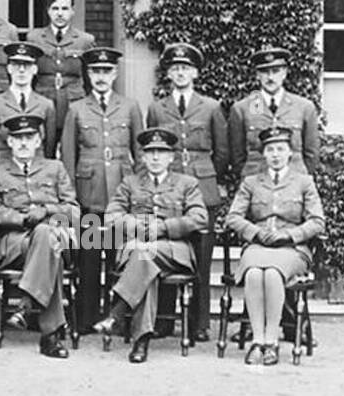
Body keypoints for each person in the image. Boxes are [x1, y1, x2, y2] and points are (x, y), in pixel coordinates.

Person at [96, 128, 208, 363]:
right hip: (139, 249)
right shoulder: (130, 183)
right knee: (145, 262)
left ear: (171, 158)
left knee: (143, 256)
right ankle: (141, 340)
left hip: (173, 250)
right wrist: (137, 224)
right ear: (143, 158)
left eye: (161, 153)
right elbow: (111, 216)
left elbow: (200, 218)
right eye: (151, 153)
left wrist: (165, 227)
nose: (156, 158)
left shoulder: (187, 183)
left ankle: (117, 313)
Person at [145, 42, 228, 342]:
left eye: (186, 68)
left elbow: (222, 153)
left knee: (201, 261)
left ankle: (200, 323)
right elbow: (152, 150)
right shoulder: (157, 108)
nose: (180, 73)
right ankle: (165, 320)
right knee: (167, 254)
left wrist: (203, 176)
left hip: (203, 193)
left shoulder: (211, 107)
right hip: (169, 194)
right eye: (175, 68)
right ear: (168, 73)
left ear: (195, 72)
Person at [225, 126, 325, 366]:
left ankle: (272, 342)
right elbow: (233, 217)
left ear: (290, 153)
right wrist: (255, 233)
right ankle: (257, 341)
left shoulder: (303, 182)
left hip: (291, 250)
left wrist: (290, 236)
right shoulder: (251, 182)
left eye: (281, 149)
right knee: (252, 274)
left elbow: (317, 222)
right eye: (270, 150)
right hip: (258, 246)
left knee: (271, 274)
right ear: (264, 154)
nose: (276, 154)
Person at [60, 46, 143, 333]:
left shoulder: (130, 107)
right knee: (91, 261)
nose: (101, 77)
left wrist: (138, 195)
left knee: (119, 259)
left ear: (115, 74)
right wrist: (71, 199)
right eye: (95, 71)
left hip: (120, 198)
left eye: (106, 71)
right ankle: (85, 319)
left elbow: (140, 155)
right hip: (91, 196)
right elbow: (68, 158)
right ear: (88, 74)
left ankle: (118, 319)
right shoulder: (77, 109)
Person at [0, 114, 78, 358]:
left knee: (48, 236)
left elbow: (74, 209)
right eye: (18, 138)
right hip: (16, 242)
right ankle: (50, 336)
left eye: (29, 137)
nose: (24, 143)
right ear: (10, 143)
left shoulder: (55, 169)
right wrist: (23, 218)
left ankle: (26, 305)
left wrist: (46, 211)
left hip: (53, 234)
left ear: (39, 141)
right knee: (50, 246)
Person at [228, 46, 320, 180]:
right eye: (265, 72)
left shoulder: (304, 107)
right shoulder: (242, 108)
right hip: (256, 183)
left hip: (294, 183)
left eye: (275, 71)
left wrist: (301, 178)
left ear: (285, 73)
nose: (270, 77)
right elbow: (237, 156)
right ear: (257, 75)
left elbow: (311, 153)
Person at [23, 0, 95, 137]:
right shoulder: (35, 38)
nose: (60, 13)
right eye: (55, 8)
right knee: (44, 148)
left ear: (72, 11)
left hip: (73, 103)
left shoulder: (85, 40)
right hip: (42, 102)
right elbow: (27, 75)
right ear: (48, 11)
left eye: (64, 8)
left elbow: (90, 79)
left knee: (71, 149)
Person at [0, 41, 57, 165]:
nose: (21, 70)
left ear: (34, 69)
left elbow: (49, 147)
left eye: (27, 65)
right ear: (9, 69)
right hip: (4, 173)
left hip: (37, 173)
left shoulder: (46, 105)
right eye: (16, 65)